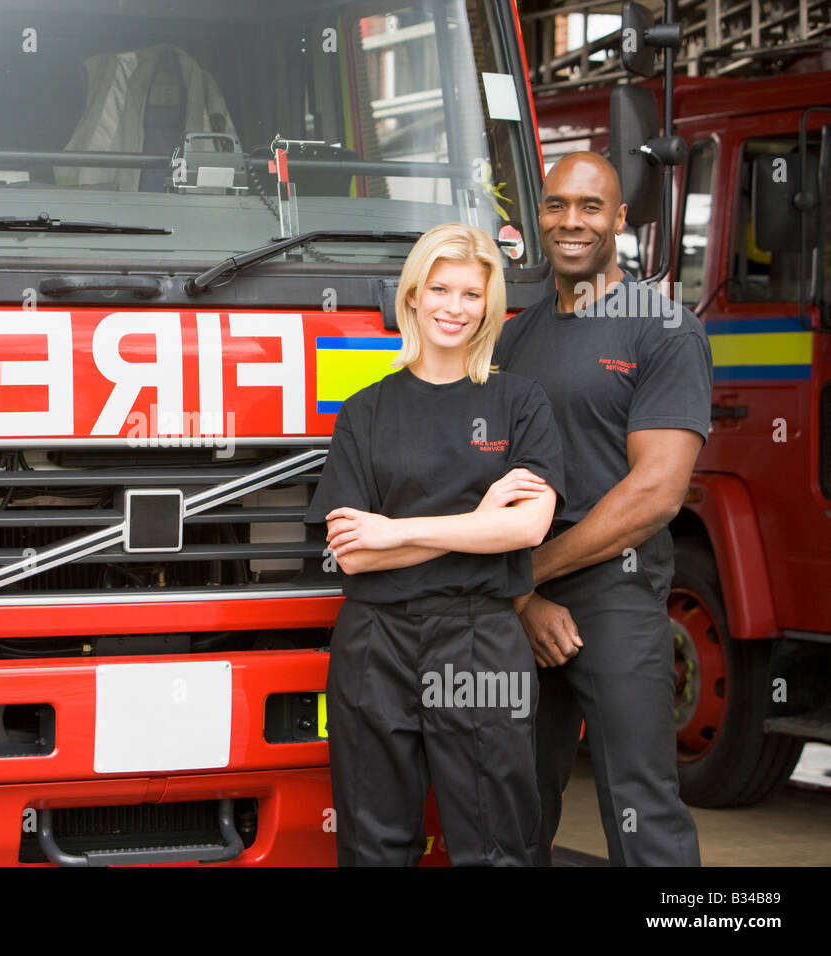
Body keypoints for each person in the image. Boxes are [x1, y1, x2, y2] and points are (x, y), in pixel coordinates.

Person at [305, 222, 566, 866]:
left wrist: (398, 529)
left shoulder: (519, 402)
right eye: (440, 289)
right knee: (374, 843)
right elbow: (355, 553)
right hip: (374, 643)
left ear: (490, 306)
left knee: (495, 843)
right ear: (414, 295)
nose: (455, 307)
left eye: (472, 295)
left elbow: (526, 529)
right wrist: (477, 523)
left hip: (479, 639)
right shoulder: (364, 410)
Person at [494, 151, 711, 866]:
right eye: (557, 206)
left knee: (639, 809)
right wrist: (524, 599)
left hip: (614, 591)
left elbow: (656, 493)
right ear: (539, 219)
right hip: (522, 596)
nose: (571, 221)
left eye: (591, 207)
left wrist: (533, 573)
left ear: (620, 220)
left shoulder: (661, 329)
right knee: (512, 804)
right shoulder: (517, 338)